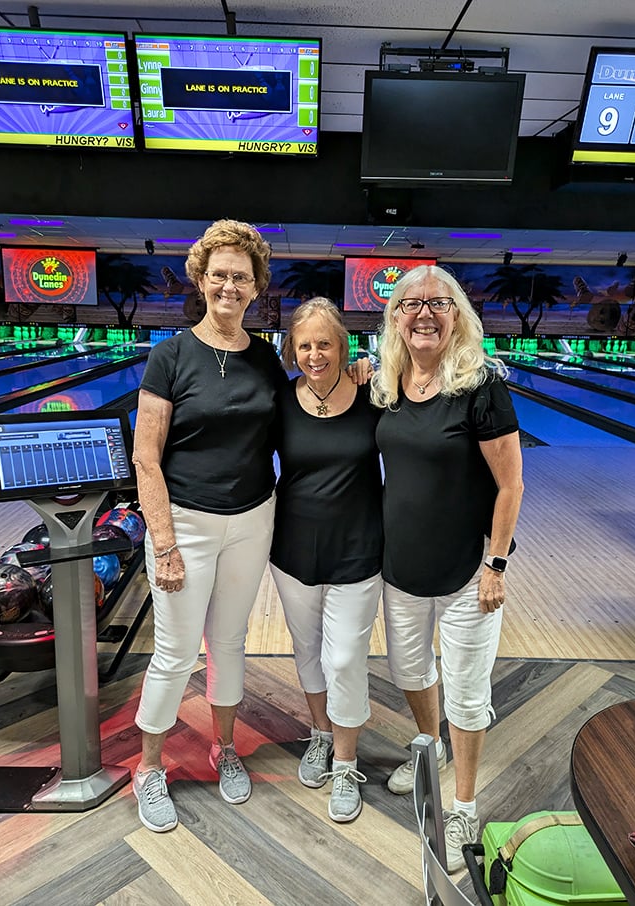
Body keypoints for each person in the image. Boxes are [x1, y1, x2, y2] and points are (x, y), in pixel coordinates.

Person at [131, 219, 286, 832]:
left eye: (240, 277)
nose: (229, 285)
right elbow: (147, 455)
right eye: (219, 274)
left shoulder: (265, 358)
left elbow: (302, 413)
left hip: (252, 519)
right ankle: (149, 769)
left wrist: (353, 378)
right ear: (201, 279)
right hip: (185, 526)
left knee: (228, 641)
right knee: (173, 652)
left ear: (255, 288)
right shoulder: (170, 356)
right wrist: (163, 542)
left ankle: (225, 749)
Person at [371, 264, 523, 871]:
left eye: (438, 303)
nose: (424, 313)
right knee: (410, 671)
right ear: (395, 318)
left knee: (465, 692)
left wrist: (497, 562)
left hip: (467, 571)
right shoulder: (387, 381)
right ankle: (427, 747)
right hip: (400, 568)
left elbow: (510, 483)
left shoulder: (481, 385)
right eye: (410, 304)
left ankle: (463, 802)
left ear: (456, 314)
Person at [269, 297, 383, 823]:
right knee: (309, 650)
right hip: (292, 546)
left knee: (344, 659)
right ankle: (320, 732)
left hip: (358, 545)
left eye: (325, 344)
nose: (315, 354)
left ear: (343, 346)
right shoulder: (280, 400)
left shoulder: (370, 393)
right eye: (305, 344)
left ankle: (345, 761)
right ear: (293, 347)